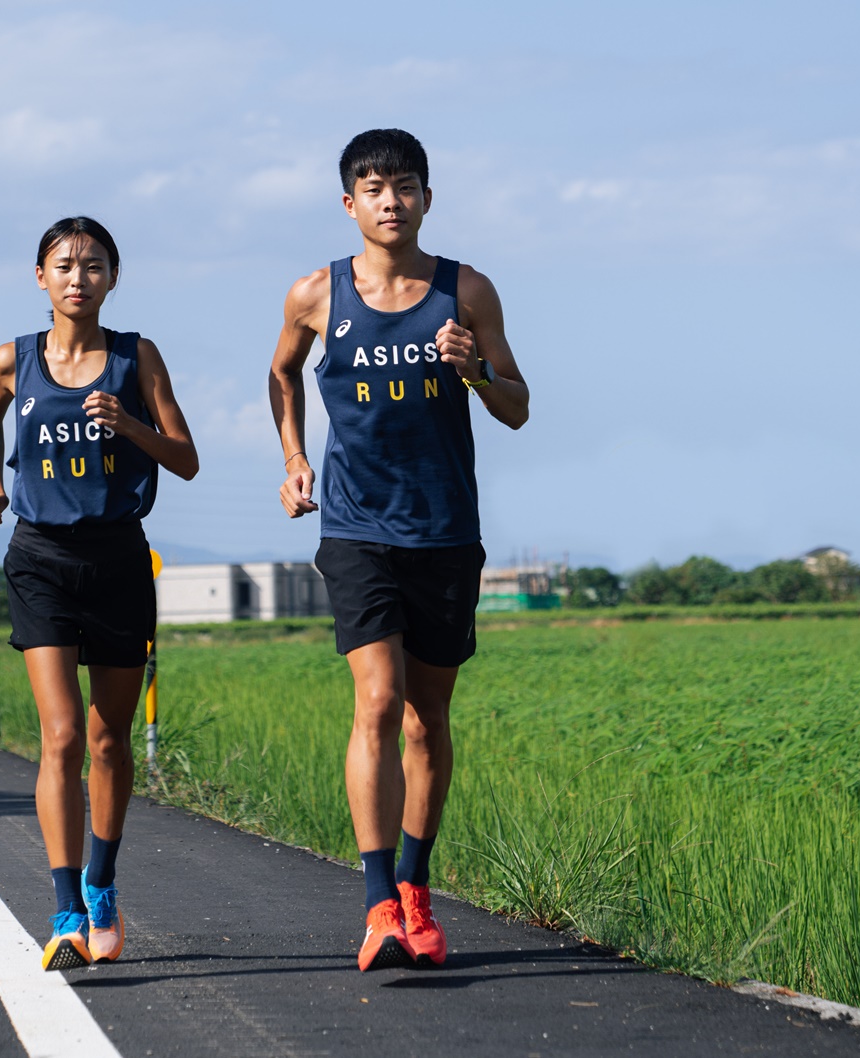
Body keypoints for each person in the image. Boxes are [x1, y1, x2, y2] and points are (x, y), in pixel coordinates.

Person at [268, 129, 531, 971]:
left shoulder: (467, 292)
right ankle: (379, 900)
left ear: (426, 197)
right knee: (377, 703)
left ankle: (416, 889)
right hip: (354, 529)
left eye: (405, 186)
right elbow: (281, 373)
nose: (391, 201)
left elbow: (519, 406)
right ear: (350, 204)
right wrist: (296, 459)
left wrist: (475, 373)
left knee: (427, 722)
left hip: (446, 532)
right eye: (373, 188)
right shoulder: (314, 294)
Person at [0, 216, 198, 970]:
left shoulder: (138, 359)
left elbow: (188, 458)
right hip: (39, 558)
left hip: (118, 560)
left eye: (94, 265)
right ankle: (66, 905)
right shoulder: (15, 359)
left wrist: (130, 425)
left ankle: (103, 884)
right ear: (40, 277)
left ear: (112, 277)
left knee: (108, 740)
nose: (79, 277)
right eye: (64, 264)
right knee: (62, 736)